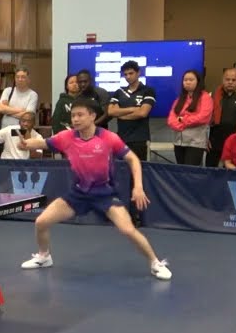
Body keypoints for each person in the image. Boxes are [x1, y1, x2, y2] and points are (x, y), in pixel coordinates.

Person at [16, 98, 172, 280]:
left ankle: (155, 263)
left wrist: (138, 186)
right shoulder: (66, 137)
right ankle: (44, 256)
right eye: (73, 115)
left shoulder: (108, 137)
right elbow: (43, 143)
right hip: (78, 194)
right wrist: (26, 144)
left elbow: (133, 159)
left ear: (92, 116)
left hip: (105, 194)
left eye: (80, 115)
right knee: (41, 222)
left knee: (128, 230)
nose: (75, 119)